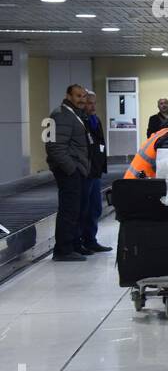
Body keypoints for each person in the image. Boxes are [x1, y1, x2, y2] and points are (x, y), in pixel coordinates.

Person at [45, 84, 92, 262]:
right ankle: (63, 249)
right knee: (68, 210)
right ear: (68, 96)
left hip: (76, 169)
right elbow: (54, 147)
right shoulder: (61, 114)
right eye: (78, 96)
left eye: (83, 96)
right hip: (69, 171)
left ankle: (73, 245)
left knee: (76, 210)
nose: (82, 99)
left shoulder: (74, 115)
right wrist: (72, 169)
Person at [78, 90, 112, 253]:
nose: (92, 106)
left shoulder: (95, 120)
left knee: (95, 208)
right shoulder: (79, 121)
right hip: (85, 171)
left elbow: (100, 144)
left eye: (94, 103)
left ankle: (90, 239)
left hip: (95, 170)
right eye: (89, 103)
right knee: (83, 208)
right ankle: (79, 242)